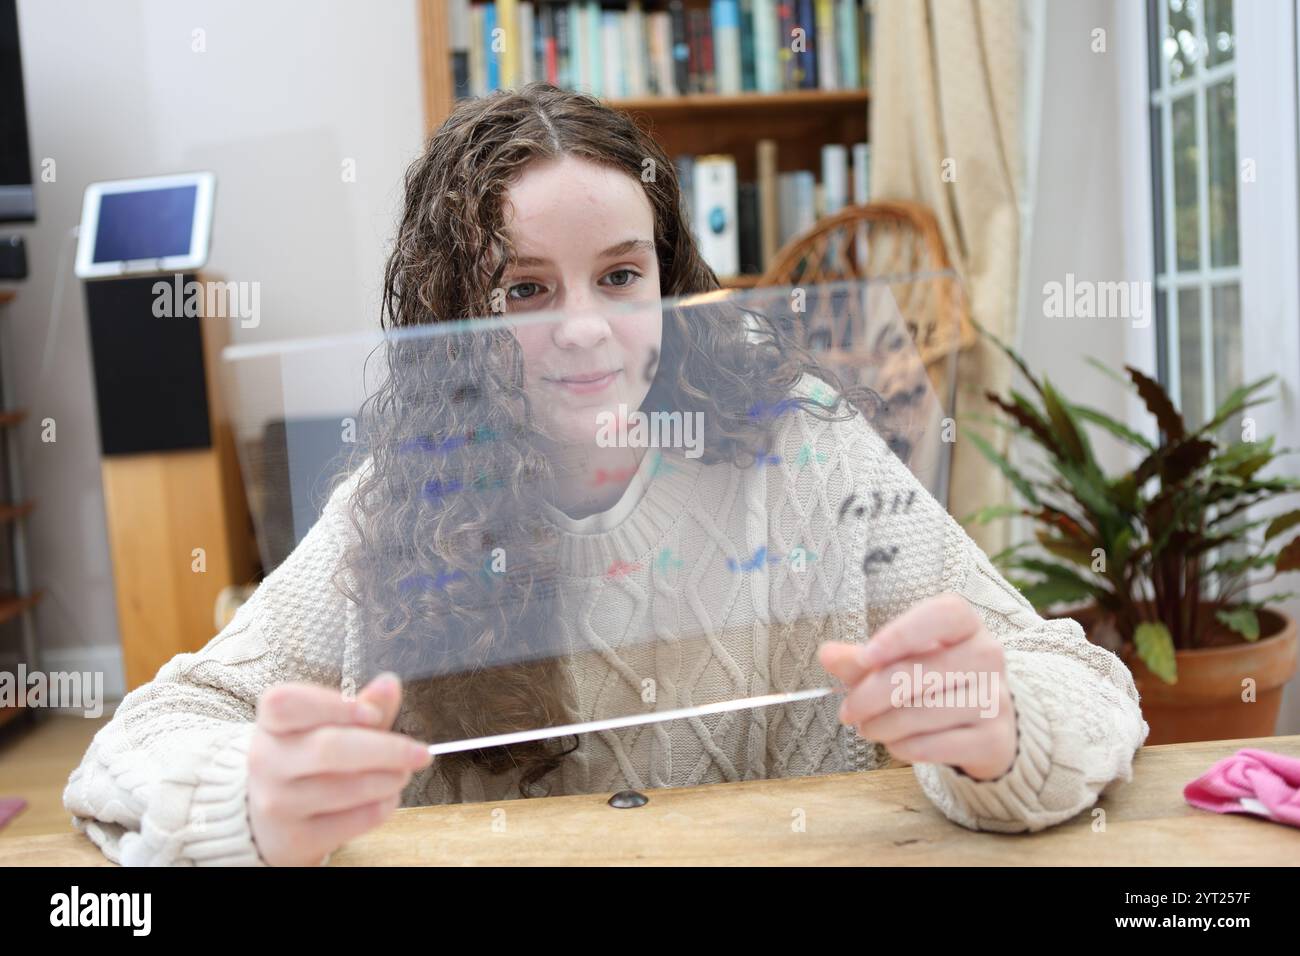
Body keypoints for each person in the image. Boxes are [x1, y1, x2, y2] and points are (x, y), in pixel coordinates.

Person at [64, 83, 1148, 866]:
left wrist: (995, 732)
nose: (585, 330)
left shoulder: (802, 448)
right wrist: (251, 802)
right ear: (454, 313)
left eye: (621, 275)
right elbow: (138, 744)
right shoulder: (401, 501)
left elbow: (1083, 684)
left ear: (668, 279)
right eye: (523, 290)